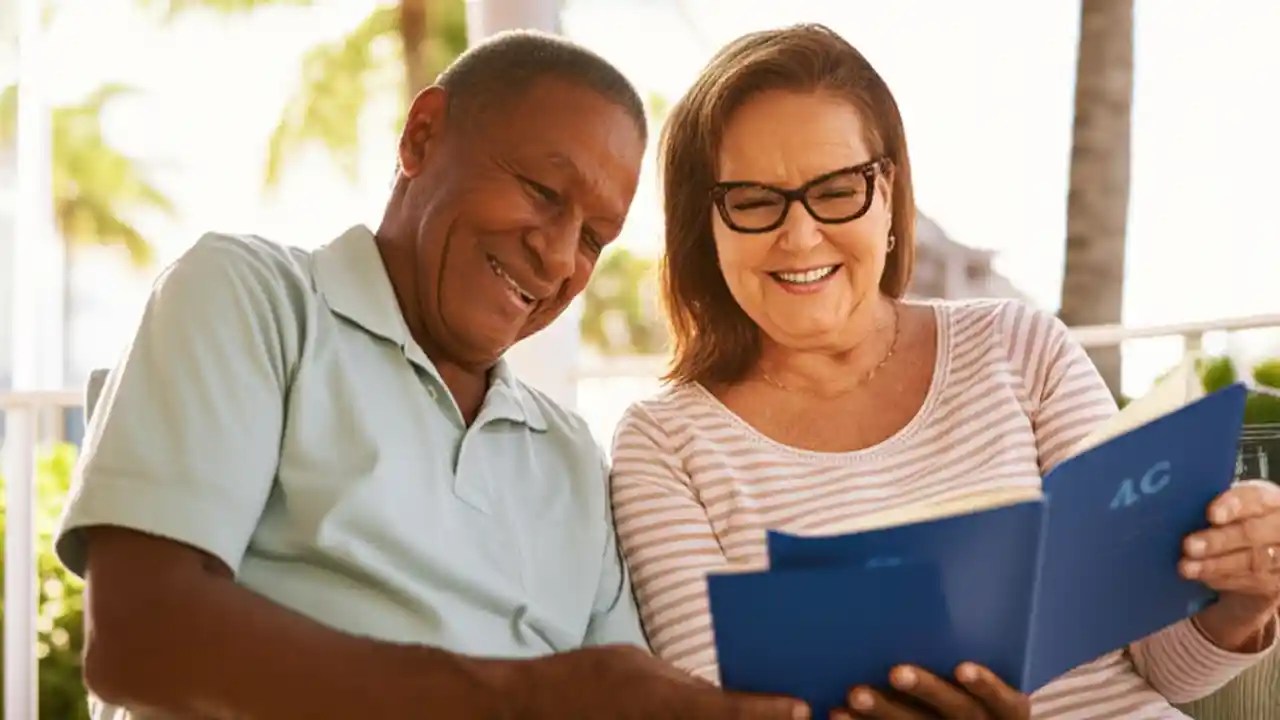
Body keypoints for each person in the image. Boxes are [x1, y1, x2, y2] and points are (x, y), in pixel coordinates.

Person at [54, 31, 811, 720]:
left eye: (593, 238)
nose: (556, 257)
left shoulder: (570, 456)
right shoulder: (256, 300)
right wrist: (526, 699)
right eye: (543, 193)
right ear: (422, 136)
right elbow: (141, 639)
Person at [609, 23, 1280, 720]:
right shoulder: (666, 443)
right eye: (753, 201)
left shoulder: (1018, 348)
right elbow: (721, 709)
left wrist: (1239, 593)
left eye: (836, 189)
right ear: (704, 223)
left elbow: (1167, 667)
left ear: (888, 192)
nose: (801, 235)